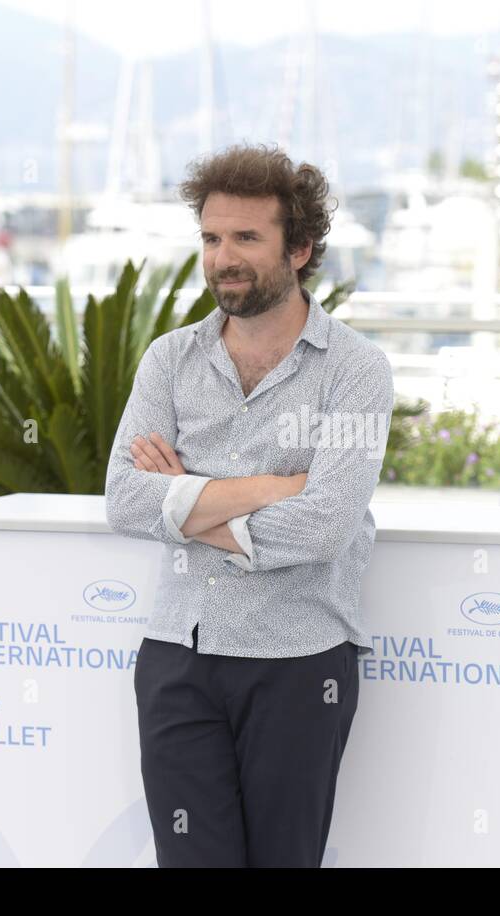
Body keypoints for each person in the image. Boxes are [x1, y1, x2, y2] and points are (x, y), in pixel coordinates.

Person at [104, 144, 395, 867]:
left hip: (299, 663)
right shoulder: (169, 359)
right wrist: (273, 489)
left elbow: (326, 525)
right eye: (210, 238)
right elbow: (122, 496)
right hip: (178, 655)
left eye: (245, 238)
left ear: (299, 248)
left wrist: (186, 497)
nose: (222, 257)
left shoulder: (355, 369)